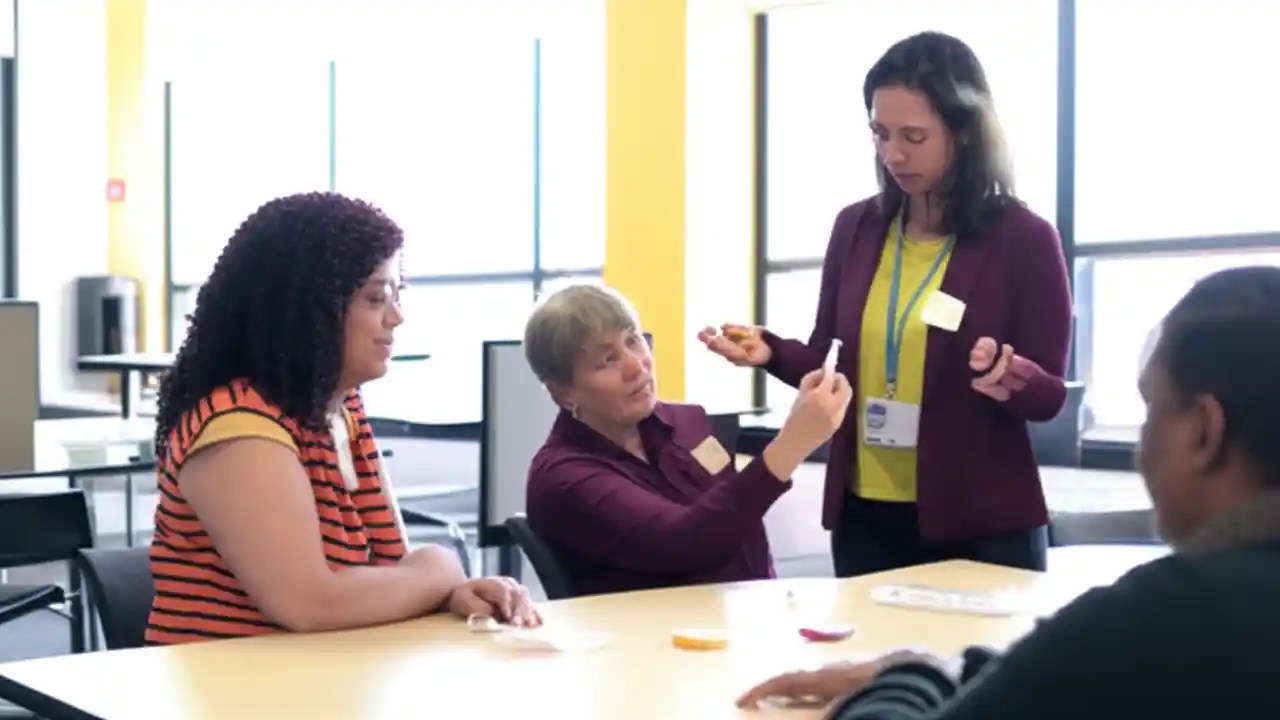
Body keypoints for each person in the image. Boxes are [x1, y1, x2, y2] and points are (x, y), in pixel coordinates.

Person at [736, 266, 1280, 717]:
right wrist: (965, 670)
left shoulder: (1160, 619)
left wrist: (908, 675)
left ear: (1204, 431)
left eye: (1152, 407)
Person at [699, 31, 1071, 576]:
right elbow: (831, 364)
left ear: (965, 131)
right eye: (881, 133)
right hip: (864, 516)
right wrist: (772, 353)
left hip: (981, 522)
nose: (893, 154)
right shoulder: (857, 227)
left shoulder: (1024, 238)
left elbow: (1050, 396)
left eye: (914, 136)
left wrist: (1008, 374)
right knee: (865, 664)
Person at [146, 192, 539, 645]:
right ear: (307, 309)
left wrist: (451, 592)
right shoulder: (238, 426)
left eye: (397, 294)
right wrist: (442, 569)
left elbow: (388, 568)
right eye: (376, 298)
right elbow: (310, 604)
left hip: (321, 680)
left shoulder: (338, 410)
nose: (397, 317)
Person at [523, 284, 852, 596]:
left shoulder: (687, 422)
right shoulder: (563, 478)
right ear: (564, 392)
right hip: (651, 645)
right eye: (607, 360)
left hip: (744, 623)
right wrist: (792, 444)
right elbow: (684, 542)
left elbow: (738, 525)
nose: (637, 366)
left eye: (634, 341)